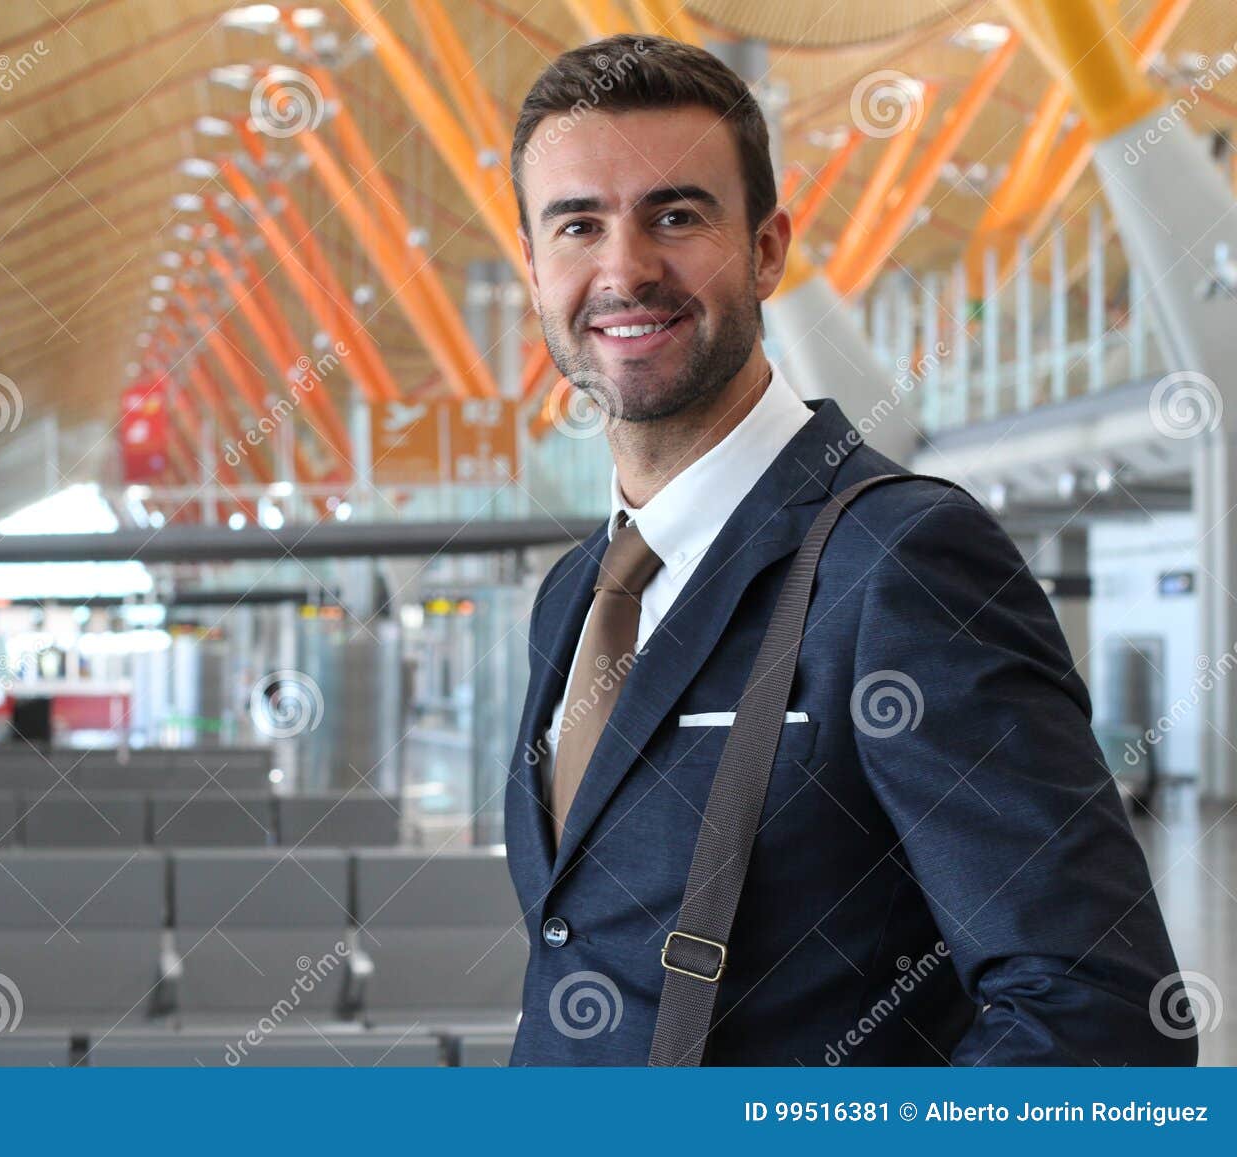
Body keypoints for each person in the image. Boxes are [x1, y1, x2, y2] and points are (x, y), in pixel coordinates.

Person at [504, 33, 1195, 1066]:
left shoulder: (901, 559)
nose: (624, 269)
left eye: (676, 214)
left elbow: (1095, 1015)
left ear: (769, 249)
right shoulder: (574, 594)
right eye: (577, 225)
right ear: (535, 269)